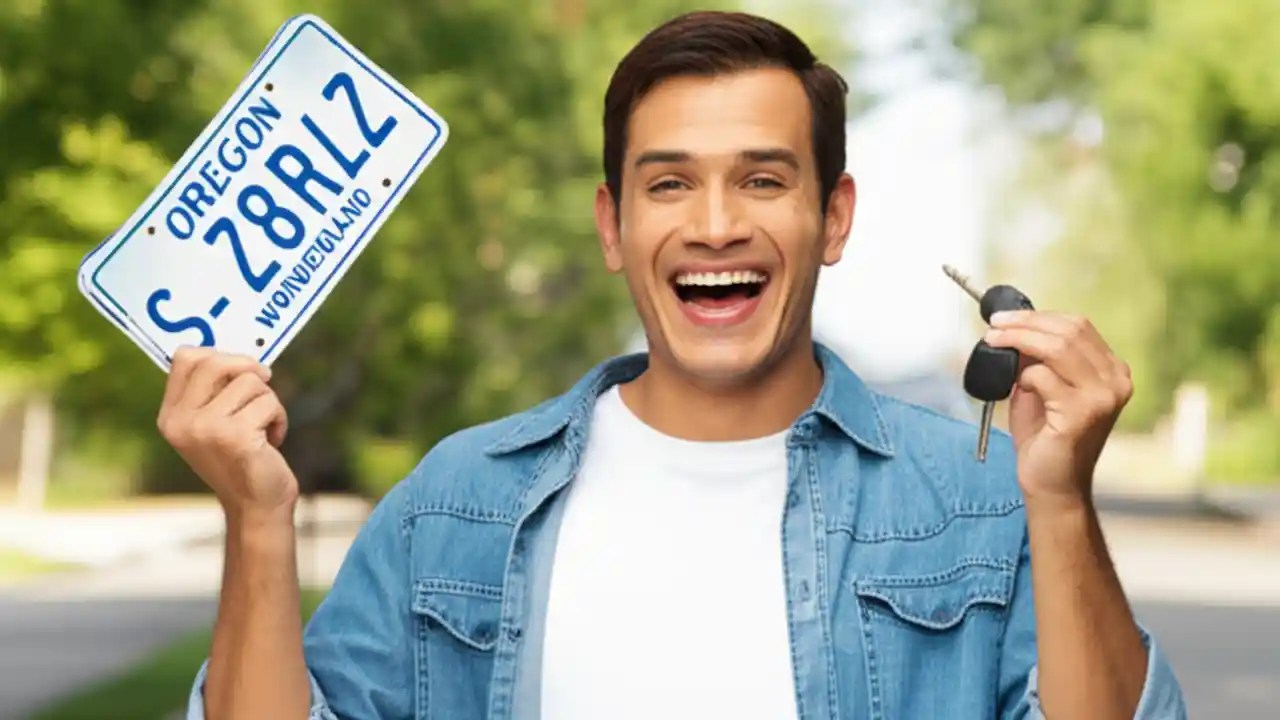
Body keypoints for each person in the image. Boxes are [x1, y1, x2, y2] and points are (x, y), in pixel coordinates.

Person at [167, 11, 1187, 720]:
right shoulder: (454, 504)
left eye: (760, 178)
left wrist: (1057, 505)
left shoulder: (980, 503)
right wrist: (256, 523)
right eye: (667, 184)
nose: (712, 226)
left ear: (831, 217)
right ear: (612, 225)